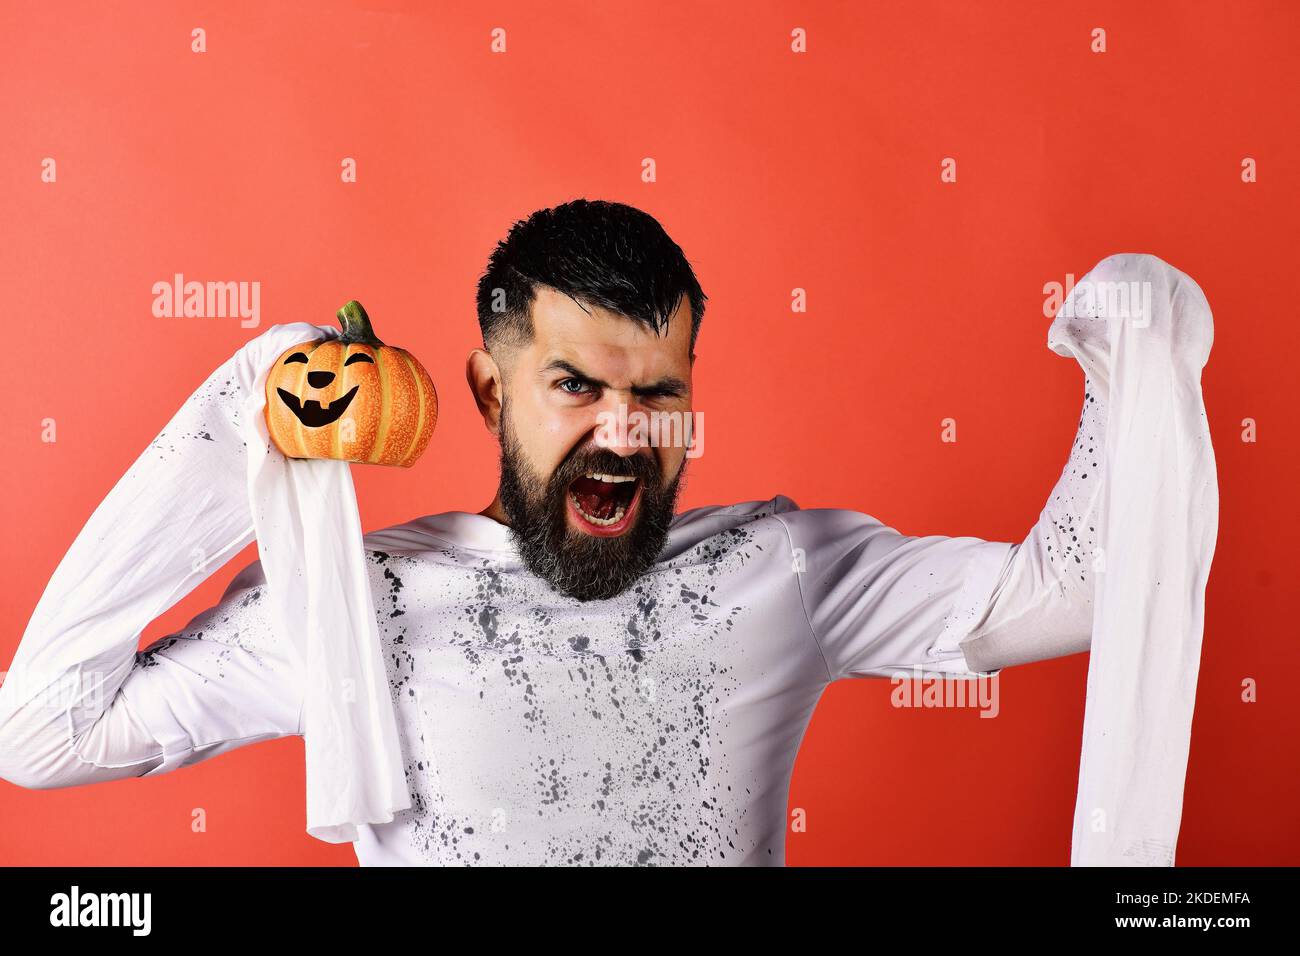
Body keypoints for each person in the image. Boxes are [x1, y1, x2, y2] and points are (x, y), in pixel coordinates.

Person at [0, 199, 1106, 865]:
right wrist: (239, 411)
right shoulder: (353, 602)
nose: (622, 431)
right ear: (491, 391)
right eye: (575, 385)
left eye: (658, 391)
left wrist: (1126, 370)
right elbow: (40, 735)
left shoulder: (786, 571)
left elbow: (1084, 590)